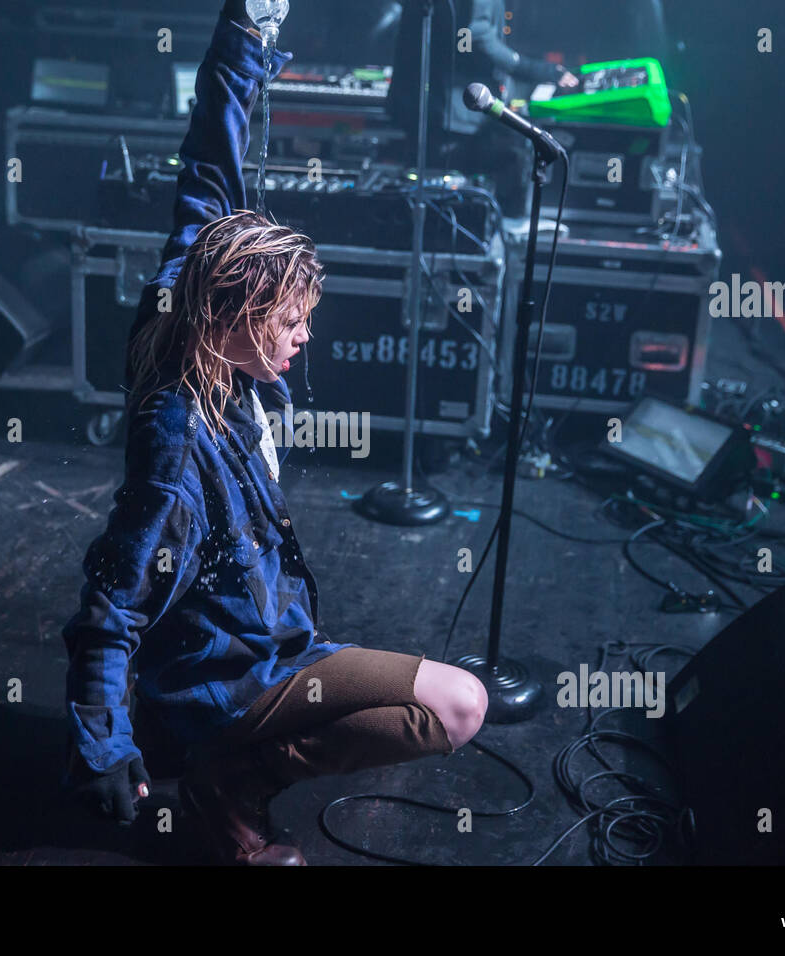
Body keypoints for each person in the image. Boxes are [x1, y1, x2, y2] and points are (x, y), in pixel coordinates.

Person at [59, 0, 489, 866]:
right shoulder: (176, 455)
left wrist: (247, 31)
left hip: (275, 637)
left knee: (436, 699)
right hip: (226, 677)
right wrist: (103, 748)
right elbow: (108, 607)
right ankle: (230, 779)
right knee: (459, 706)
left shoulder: (195, 285)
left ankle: (223, 763)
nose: (305, 336)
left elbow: (208, 157)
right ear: (236, 316)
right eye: (290, 321)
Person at [386, 0, 579, 218]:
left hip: (431, 104)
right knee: (450, 206)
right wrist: (533, 69)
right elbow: (474, 36)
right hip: (452, 111)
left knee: (438, 204)